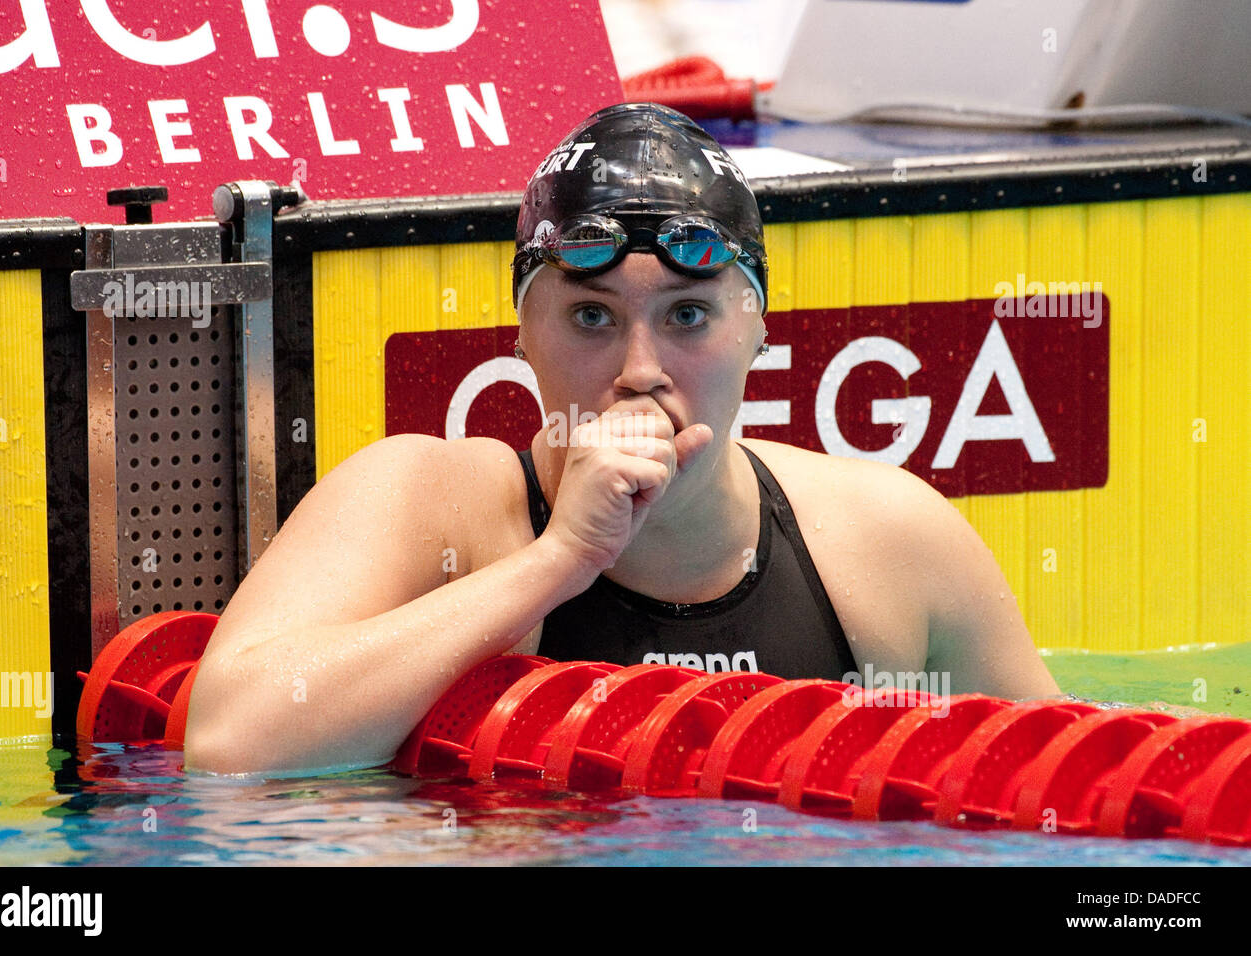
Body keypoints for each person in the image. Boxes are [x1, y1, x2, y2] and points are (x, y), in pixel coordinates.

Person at [185, 103, 1059, 776]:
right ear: (521, 334)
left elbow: (1074, 800)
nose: (641, 368)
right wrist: (560, 560)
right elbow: (229, 742)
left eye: (688, 314)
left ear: (758, 329)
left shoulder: (887, 540)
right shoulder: (430, 504)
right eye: (591, 318)